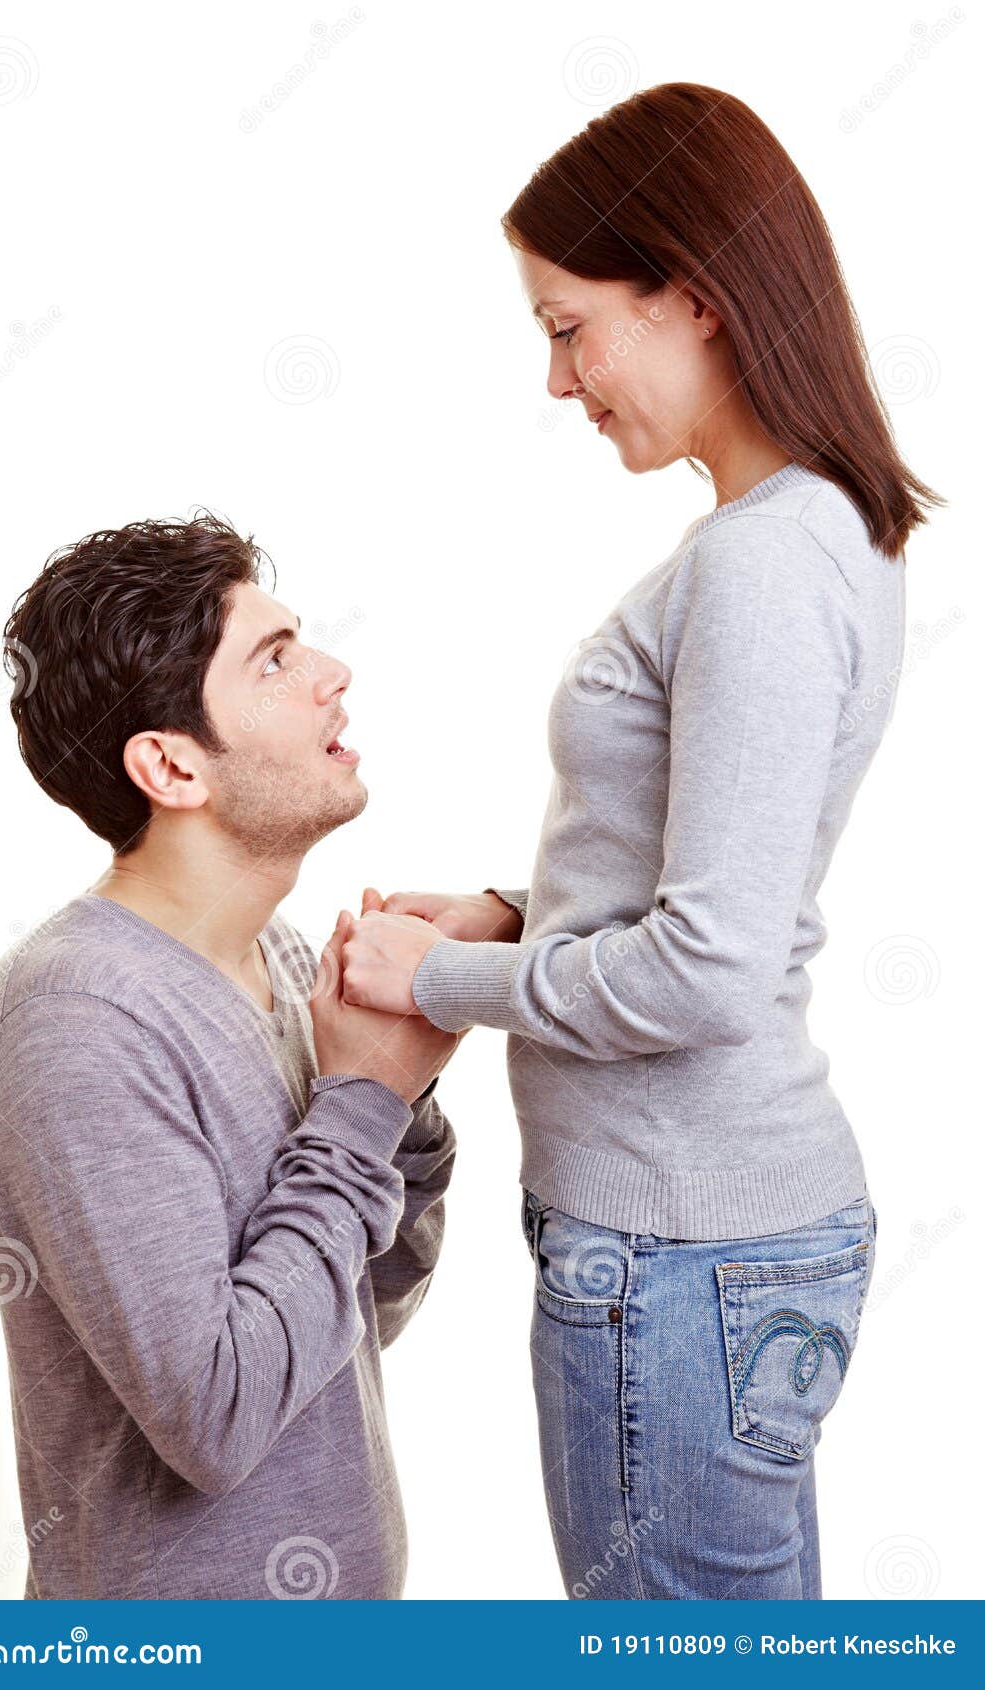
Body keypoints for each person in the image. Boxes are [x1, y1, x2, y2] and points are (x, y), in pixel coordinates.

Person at [335, 83, 944, 1600]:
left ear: (693, 297)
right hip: (713, 1240)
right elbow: (707, 871)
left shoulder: (758, 564)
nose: (556, 381)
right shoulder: (807, 534)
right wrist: (498, 912)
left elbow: (707, 963)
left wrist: (435, 985)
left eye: (567, 325)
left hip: (679, 1249)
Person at [0, 513, 457, 1600]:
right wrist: (362, 1097)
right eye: (272, 659)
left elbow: (352, 1310)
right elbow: (218, 1416)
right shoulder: (75, 1016)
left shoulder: (277, 958)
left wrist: (398, 1096)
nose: (332, 673)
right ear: (172, 765)